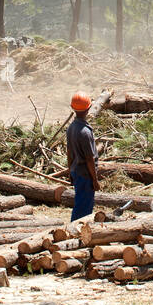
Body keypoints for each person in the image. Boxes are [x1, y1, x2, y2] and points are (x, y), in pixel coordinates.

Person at [66, 91, 101, 221]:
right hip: (85, 174)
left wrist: (70, 171)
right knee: (84, 207)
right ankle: (76, 231)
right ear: (88, 108)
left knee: (80, 202)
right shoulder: (85, 132)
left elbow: (69, 152)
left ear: (72, 108)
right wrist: (95, 180)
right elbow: (89, 159)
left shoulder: (71, 128)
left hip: (76, 171)